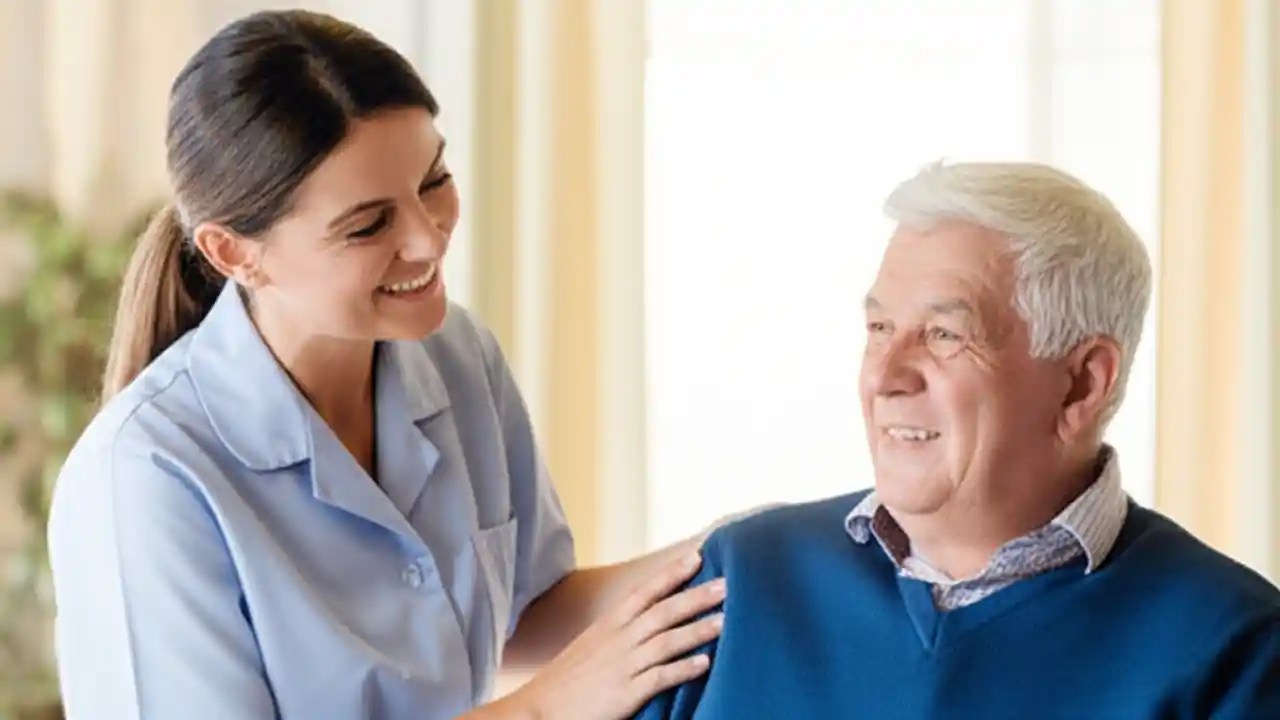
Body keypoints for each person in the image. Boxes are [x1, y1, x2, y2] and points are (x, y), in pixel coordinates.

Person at [47, 10, 730, 719]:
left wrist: (750, 550)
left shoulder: (458, 357)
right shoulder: (144, 476)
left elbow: (530, 614)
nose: (428, 242)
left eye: (434, 180)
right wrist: (543, 709)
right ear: (234, 253)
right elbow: (552, 691)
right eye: (369, 224)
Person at [634, 162, 1280, 719]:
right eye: (880, 327)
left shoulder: (1235, 644)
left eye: (944, 335)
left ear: (1080, 385)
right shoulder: (737, 581)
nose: (884, 377)